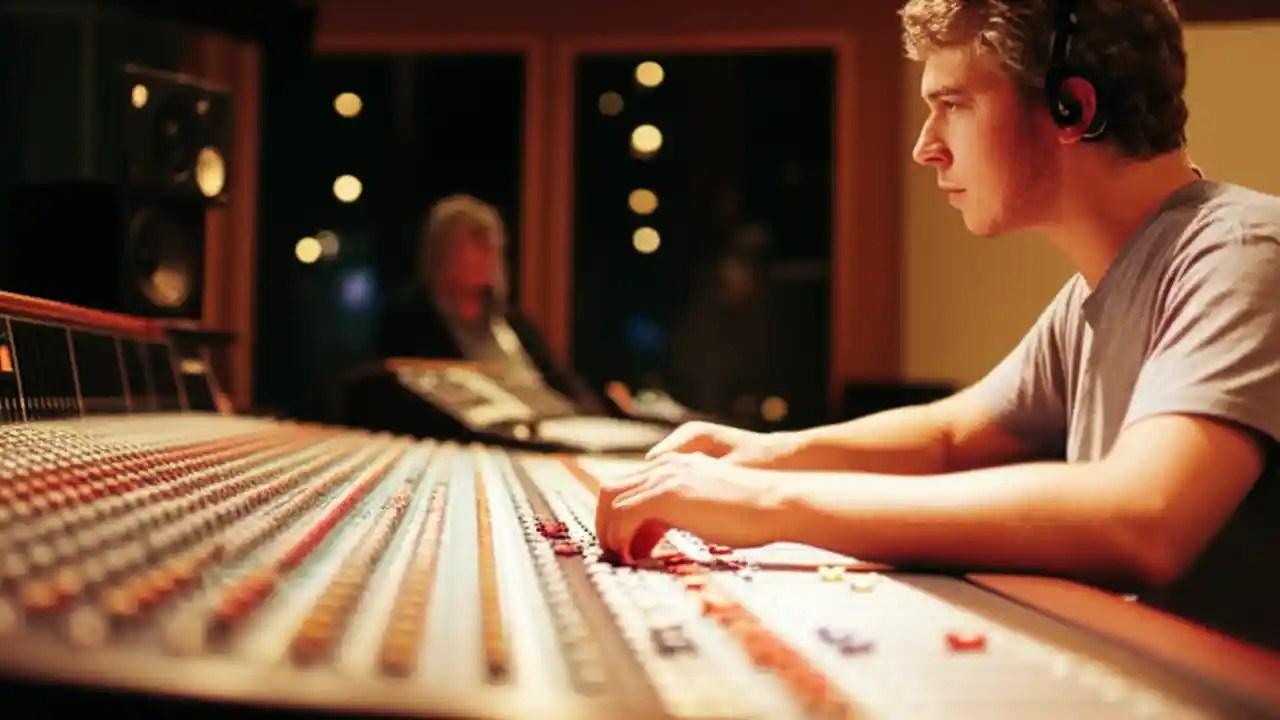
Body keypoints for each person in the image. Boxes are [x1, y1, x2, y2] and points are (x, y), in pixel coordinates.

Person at [594, 0, 1280, 649]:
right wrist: (757, 455)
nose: (927, 147)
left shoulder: (1242, 250)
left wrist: (767, 501)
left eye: (953, 105)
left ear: (1072, 108)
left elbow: (1142, 516)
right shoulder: (1099, 293)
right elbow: (951, 437)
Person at [376, 193, 606, 415]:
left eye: (493, 241)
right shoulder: (409, 321)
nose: (489, 249)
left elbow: (565, 384)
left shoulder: (513, 321)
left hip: (553, 426)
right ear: (441, 251)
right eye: (476, 239)